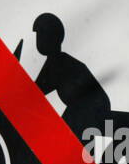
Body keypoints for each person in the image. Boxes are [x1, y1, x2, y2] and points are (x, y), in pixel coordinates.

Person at [32, 13, 111, 144]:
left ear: (52, 37)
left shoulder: (58, 62)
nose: (39, 40)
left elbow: (36, 91)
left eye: (41, 35)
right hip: (83, 107)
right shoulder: (56, 61)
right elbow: (37, 89)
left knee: (61, 136)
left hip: (90, 107)